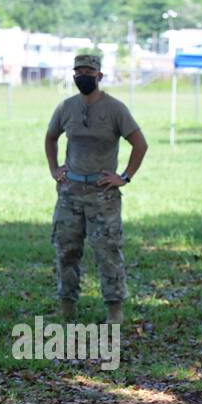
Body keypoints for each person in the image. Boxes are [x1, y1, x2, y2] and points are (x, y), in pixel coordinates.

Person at [44, 53, 148, 324]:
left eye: (89, 72)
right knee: (66, 250)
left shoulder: (115, 109)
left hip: (103, 195)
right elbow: (51, 137)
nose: (83, 77)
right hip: (70, 193)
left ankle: (115, 310)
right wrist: (55, 169)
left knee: (108, 252)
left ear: (100, 76)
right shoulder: (66, 107)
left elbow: (140, 144)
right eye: (78, 72)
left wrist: (124, 176)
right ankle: (67, 307)